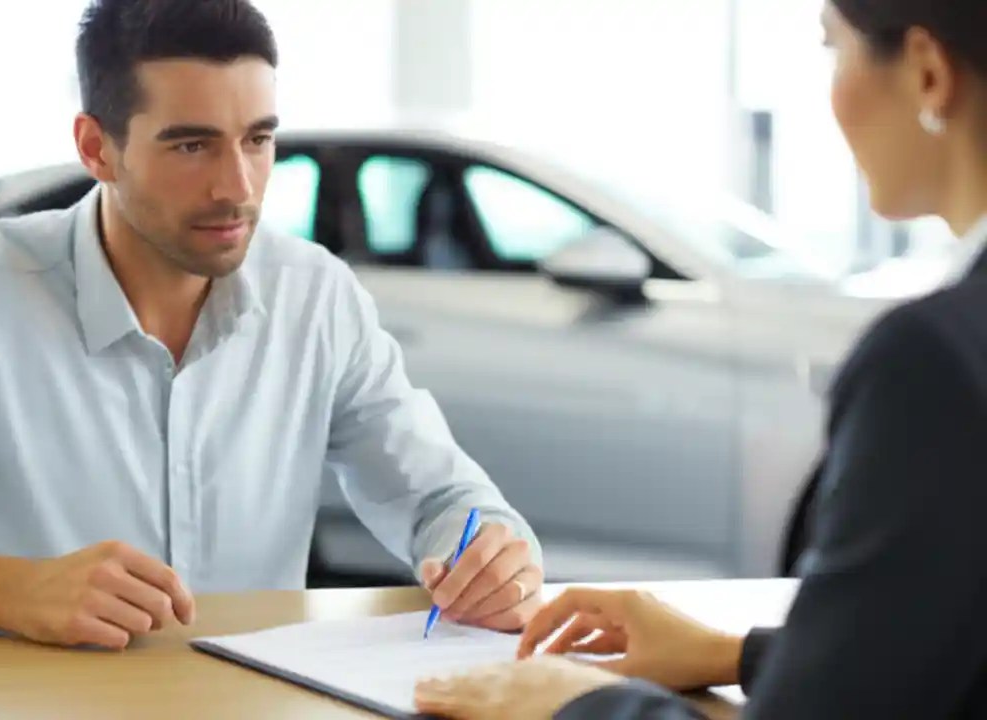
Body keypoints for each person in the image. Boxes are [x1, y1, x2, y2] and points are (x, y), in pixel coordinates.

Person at [0, 0, 544, 650]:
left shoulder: (316, 297)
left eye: (258, 140)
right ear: (95, 147)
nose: (238, 187)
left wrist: (491, 551)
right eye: (191, 147)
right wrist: (7, 589)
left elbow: (441, 496)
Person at [413, 0, 987, 717]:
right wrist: (733, 653)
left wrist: (578, 703)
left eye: (830, 49)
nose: (830, 93)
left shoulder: (930, 360)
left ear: (929, 73)